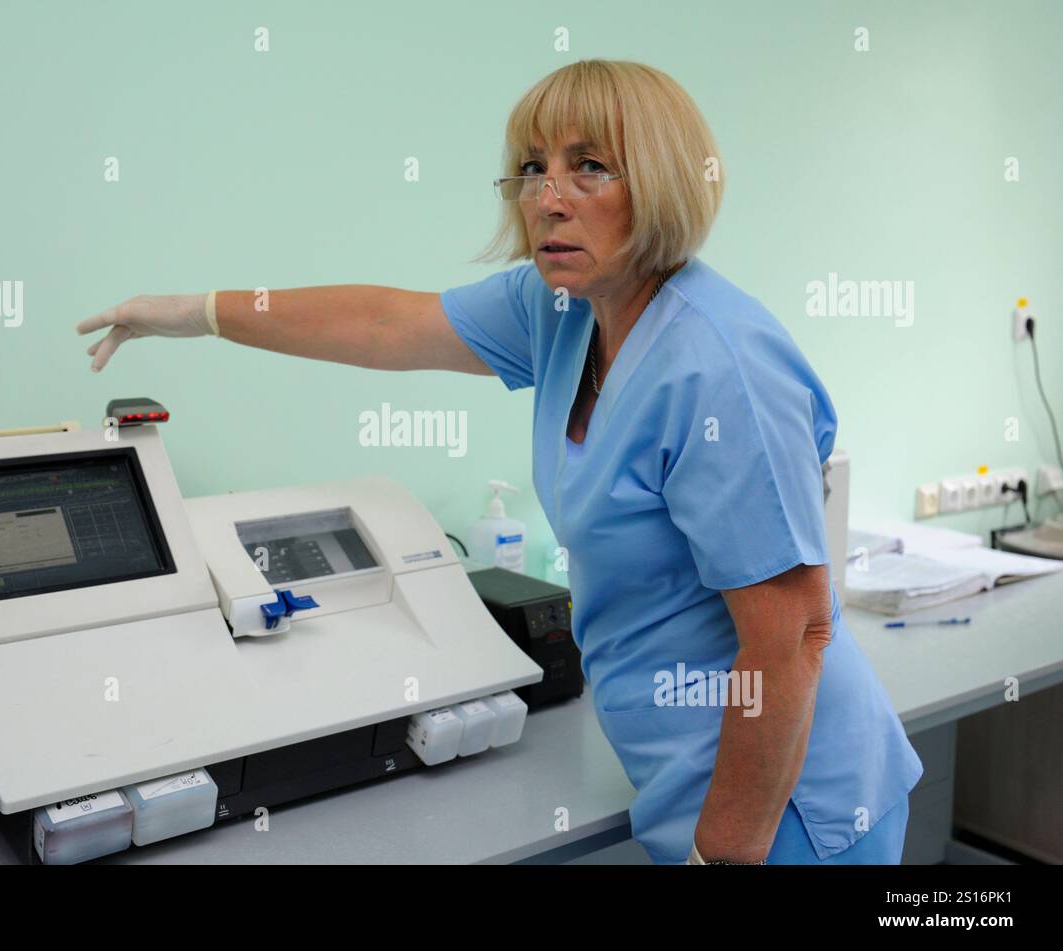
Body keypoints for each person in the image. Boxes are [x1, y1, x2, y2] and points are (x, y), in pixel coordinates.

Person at [76, 59, 922, 865]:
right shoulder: (563, 308)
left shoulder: (719, 367)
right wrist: (194, 313)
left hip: (792, 811)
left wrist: (720, 855)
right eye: (531, 168)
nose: (547, 199)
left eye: (588, 166)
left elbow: (794, 636)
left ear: (661, 179)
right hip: (684, 781)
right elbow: (382, 323)